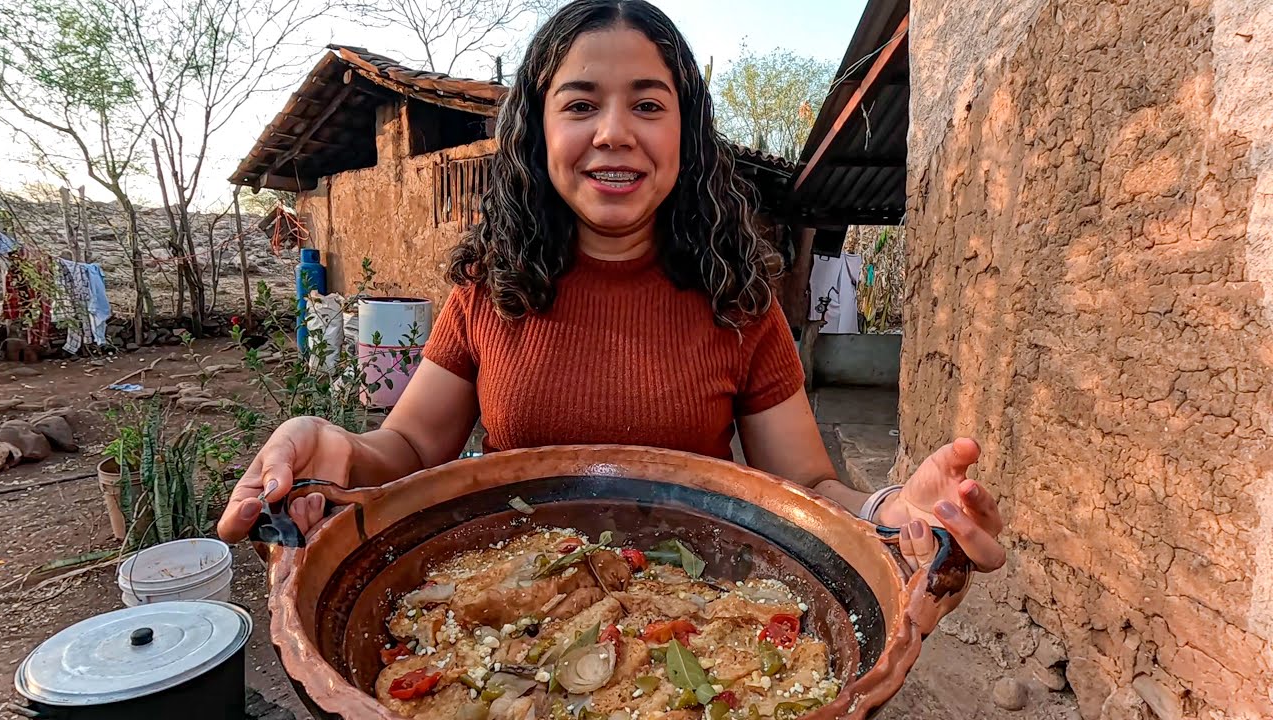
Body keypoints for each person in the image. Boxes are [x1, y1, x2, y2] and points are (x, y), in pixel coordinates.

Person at [216, 0, 1005, 576]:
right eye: (581, 104)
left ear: (685, 133)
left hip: (694, 619)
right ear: (540, 132)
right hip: (510, 614)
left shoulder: (738, 303)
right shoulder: (490, 293)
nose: (614, 132)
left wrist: (890, 513)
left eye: (649, 105)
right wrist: (337, 447)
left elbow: (803, 485)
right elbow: (415, 447)